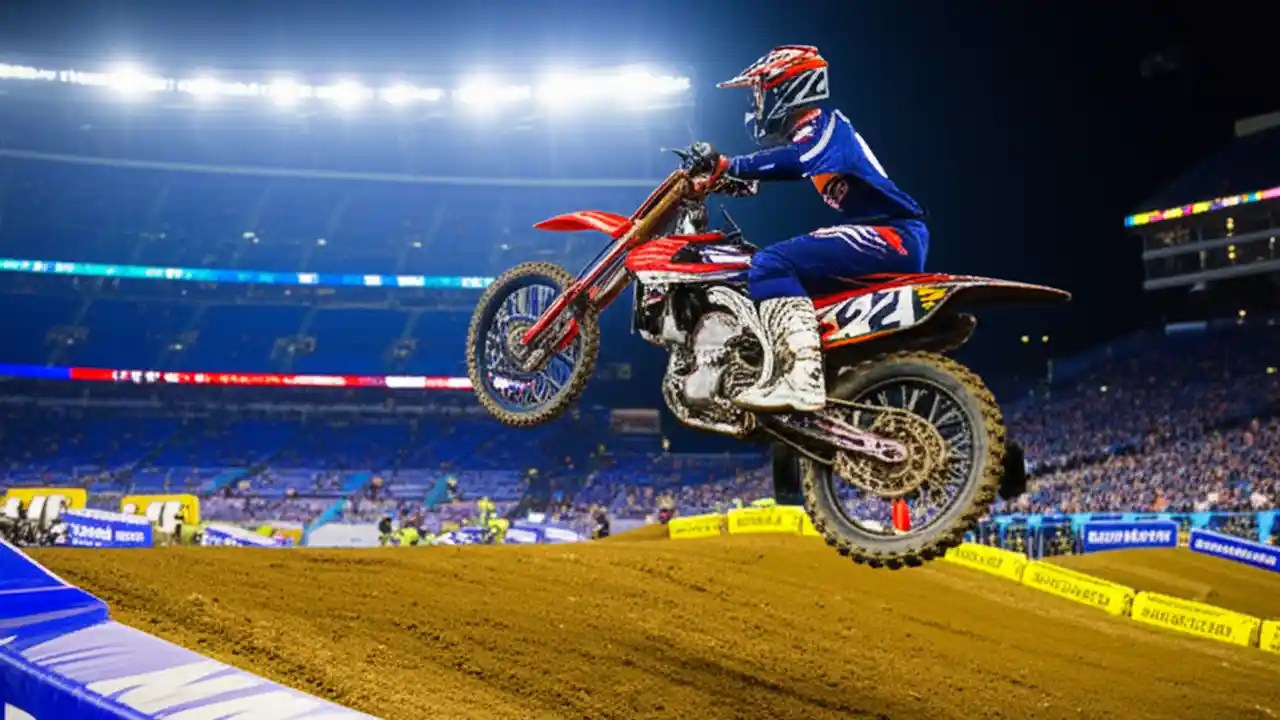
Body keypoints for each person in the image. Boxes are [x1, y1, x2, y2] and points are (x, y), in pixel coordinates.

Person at [709, 45, 929, 413]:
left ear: (788, 88)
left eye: (759, 93)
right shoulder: (812, 134)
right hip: (888, 236)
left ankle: (802, 377)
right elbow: (781, 166)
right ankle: (791, 369)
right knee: (766, 272)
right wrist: (719, 179)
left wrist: (730, 164)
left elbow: (798, 161)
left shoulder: (824, 126)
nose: (755, 106)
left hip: (894, 235)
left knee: (771, 263)